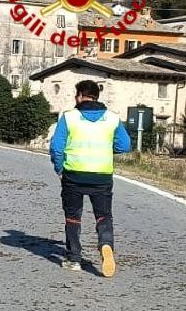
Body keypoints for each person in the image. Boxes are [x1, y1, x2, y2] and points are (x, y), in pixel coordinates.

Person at [49, 80, 131, 276]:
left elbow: (56, 148)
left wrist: (60, 169)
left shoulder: (69, 118)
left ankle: (74, 259)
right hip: (102, 176)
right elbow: (125, 145)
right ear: (97, 96)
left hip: (73, 175)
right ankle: (106, 244)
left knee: (73, 217)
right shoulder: (112, 118)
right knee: (103, 216)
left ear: (79, 96)